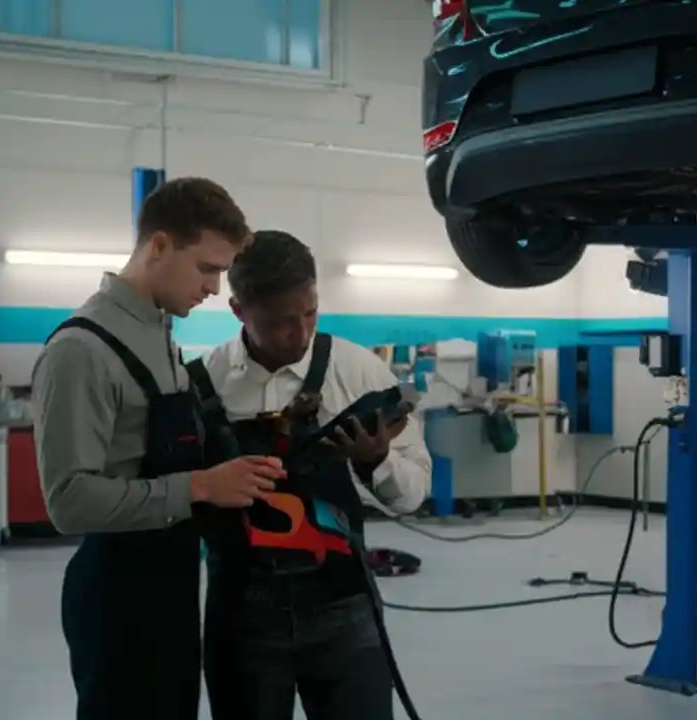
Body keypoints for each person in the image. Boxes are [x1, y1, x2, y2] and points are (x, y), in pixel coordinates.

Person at [30, 177, 287, 720]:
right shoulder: (81, 350)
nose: (216, 288)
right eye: (207, 269)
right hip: (117, 600)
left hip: (170, 587)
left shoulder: (159, 335)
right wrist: (198, 486)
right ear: (160, 246)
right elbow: (68, 501)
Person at [195, 229, 432, 720]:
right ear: (238, 310)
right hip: (242, 621)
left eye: (310, 313)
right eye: (281, 322)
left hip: (345, 613)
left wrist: (376, 462)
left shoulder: (360, 372)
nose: (300, 334)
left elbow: (413, 496)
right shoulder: (203, 384)